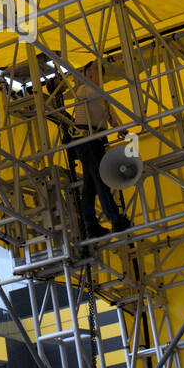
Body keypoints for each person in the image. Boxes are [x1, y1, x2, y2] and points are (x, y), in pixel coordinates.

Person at [67, 59, 130, 238]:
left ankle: (91, 223)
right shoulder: (84, 90)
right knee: (100, 178)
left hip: (96, 138)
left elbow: (111, 114)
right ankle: (114, 218)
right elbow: (103, 101)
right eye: (92, 72)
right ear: (87, 75)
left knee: (91, 183)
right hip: (86, 138)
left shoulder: (99, 94)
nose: (94, 75)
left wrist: (121, 129)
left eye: (97, 72)